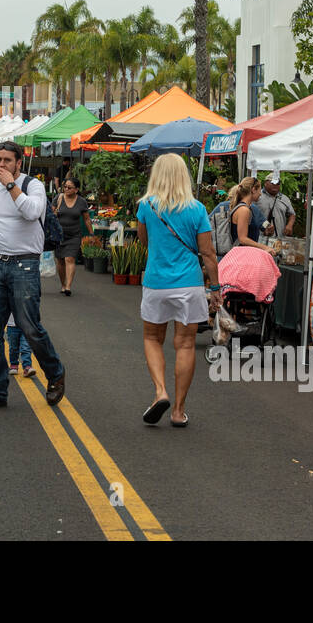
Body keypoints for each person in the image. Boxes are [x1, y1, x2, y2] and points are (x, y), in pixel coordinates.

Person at [0, 140, 66, 409]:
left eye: (7, 160)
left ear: (18, 163)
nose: (1, 165)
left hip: (25, 265)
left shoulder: (32, 185)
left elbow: (33, 212)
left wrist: (11, 184)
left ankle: (55, 373)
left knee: (30, 327)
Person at [135, 154, 221, 428]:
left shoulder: (146, 207)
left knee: (152, 338)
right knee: (184, 344)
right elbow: (208, 253)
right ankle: (178, 411)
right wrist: (216, 288)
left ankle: (160, 392)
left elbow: (143, 241)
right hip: (189, 284)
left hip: (157, 282)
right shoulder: (196, 209)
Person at [53, 177, 94, 297]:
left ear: (76, 189)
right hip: (59, 235)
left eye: (69, 187)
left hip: (74, 235)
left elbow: (86, 219)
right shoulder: (58, 198)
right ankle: (63, 284)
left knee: (69, 259)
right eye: (65, 187)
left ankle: (68, 287)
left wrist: (91, 233)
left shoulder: (81, 202)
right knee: (60, 260)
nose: (66, 189)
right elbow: (51, 214)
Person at [228, 177, 276, 255]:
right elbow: (242, 239)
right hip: (241, 255)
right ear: (253, 190)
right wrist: (264, 247)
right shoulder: (244, 210)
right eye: (259, 190)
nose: (260, 194)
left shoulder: (246, 208)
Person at [257, 171, 296, 240]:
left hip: (279, 238)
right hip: (260, 238)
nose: (275, 185)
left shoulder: (284, 198)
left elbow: (292, 214)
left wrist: (289, 225)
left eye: (278, 183)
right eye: (273, 183)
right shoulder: (258, 196)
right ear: (265, 183)